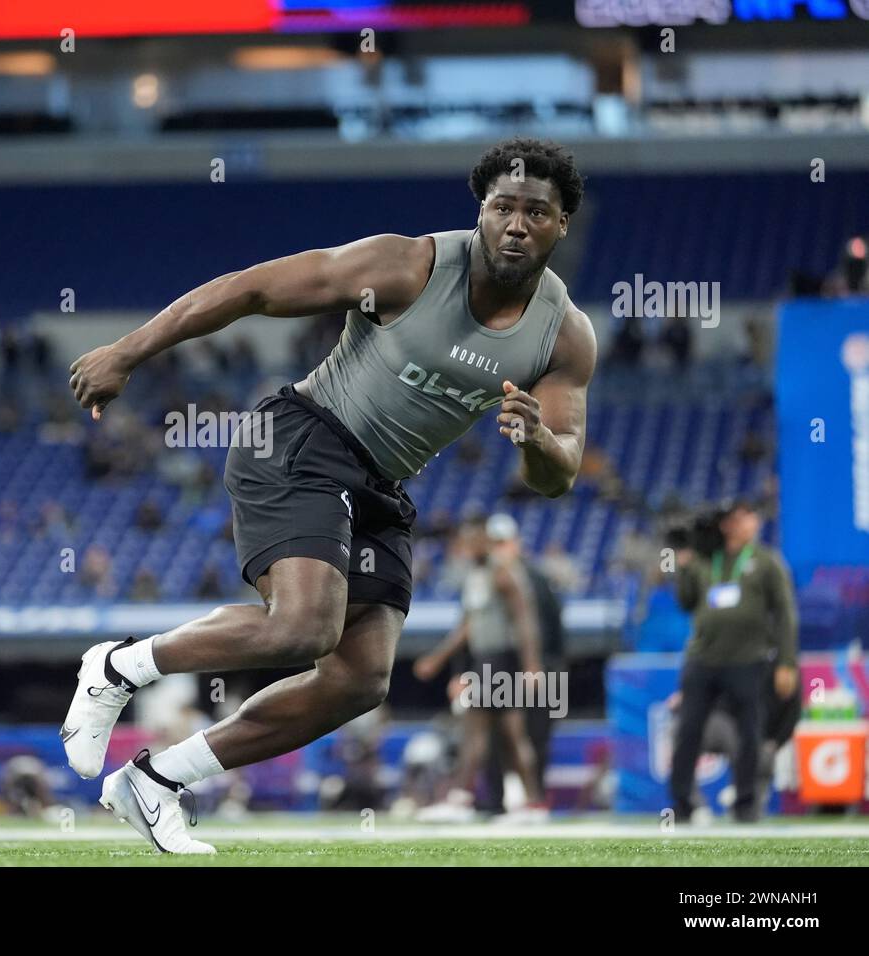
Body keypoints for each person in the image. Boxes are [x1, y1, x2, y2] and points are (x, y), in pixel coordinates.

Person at [62, 137, 597, 853]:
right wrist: (127, 351)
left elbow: (559, 473)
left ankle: (157, 781)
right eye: (503, 206)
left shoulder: (564, 337)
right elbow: (251, 288)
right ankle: (117, 666)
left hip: (381, 483)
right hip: (301, 436)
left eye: (537, 211)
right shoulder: (407, 267)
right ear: (481, 211)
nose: (516, 223)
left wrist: (534, 439)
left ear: (562, 225)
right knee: (302, 628)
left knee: (359, 680)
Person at [669, 497, 799, 823]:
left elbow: (784, 614)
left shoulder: (767, 561)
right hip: (703, 658)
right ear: (726, 524)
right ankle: (682, 805)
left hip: (749, 660)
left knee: (750, 732)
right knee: (688, 730)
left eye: (750, 517)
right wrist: (681, 565)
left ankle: (745, 803)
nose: (747, 522)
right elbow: (685, 603)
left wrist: (787, 662)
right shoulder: (703, 559)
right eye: (739, 517)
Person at [412, 514, 548, 822]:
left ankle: (459, 799)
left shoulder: (502, 572)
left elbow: (525, 620)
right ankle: (534, 803)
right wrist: (438, 658)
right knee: (511, 735)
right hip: (487, 658)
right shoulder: (476, 574)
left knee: (475, 729)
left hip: (500, 659)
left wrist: (532, 666)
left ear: (485, 541)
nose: (467, 545)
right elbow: (468, 625)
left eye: (474, 540)